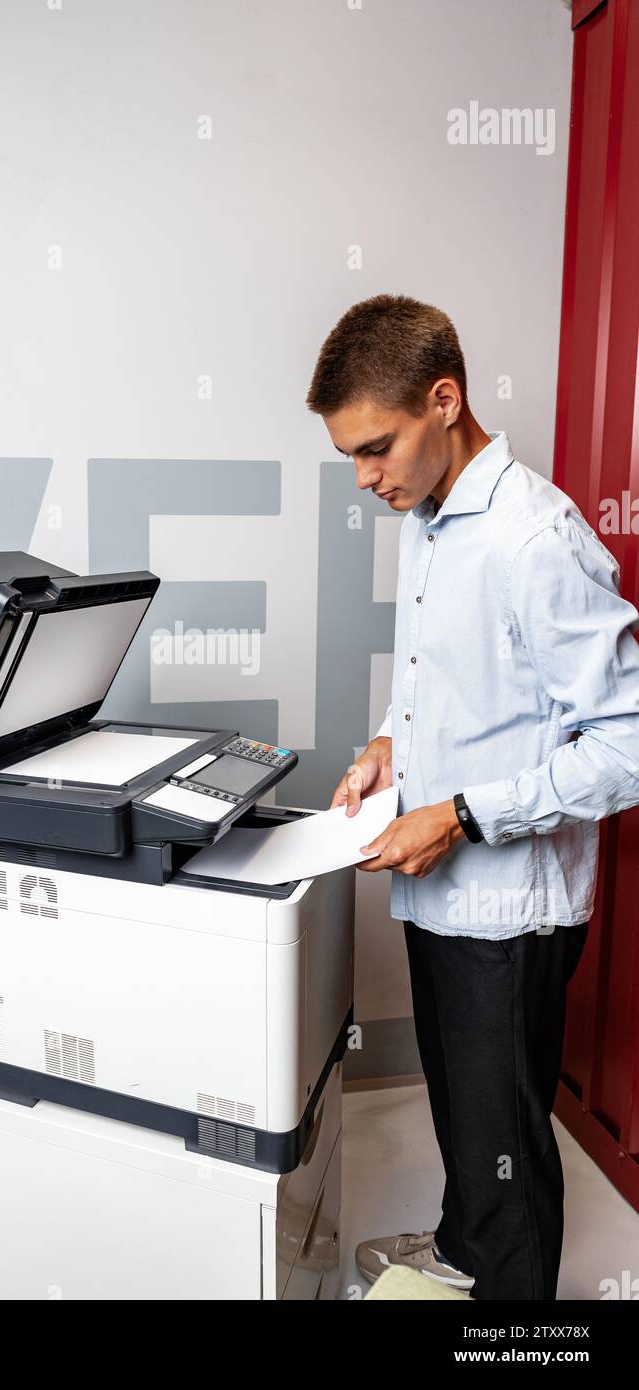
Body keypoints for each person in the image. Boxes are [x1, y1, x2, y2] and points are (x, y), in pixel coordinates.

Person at [305, 293, 639, 1301]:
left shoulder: (534, 539)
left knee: (504, 1147)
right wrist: (382, 747)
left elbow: (625, 741)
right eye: (351, 459)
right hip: (442, 887)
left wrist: (452, 815)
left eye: (375, 448)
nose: (365, 479)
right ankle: (462, 1251)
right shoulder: (432, 513)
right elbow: (443, 677)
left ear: (442, 399)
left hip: (505, 907)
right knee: (463, 1112)